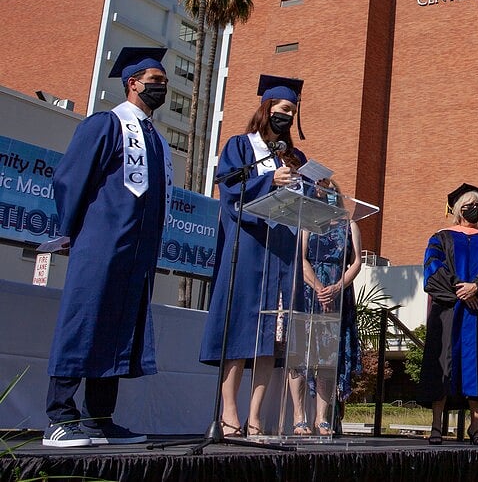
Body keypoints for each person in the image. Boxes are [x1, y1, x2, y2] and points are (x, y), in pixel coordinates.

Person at [44, 47, 173, 447]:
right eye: (155, 81)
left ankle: (98, 420)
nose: (162, 88)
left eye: (164, 83)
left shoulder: (155, 139)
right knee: (84, 323)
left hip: (137, 253)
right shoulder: (106, 123)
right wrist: (73, 232)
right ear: (132, 83)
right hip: (101, 244)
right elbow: (70, 179)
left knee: (118, 330)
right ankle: (59, 418)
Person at [199, 75, 307, 437]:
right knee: (241, 328)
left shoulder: (295, 157)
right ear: (266, 110)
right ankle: (229, 412)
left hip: (281, 250)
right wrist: (269, 182)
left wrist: (311, 192)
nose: (287, 117)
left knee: (268, 335)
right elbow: (229, 189)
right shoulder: (240, 147)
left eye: (292, 112)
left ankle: (255, 415)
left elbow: (303, 200)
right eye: (282, 110)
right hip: (247, 247)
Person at [418, 183, 478, 445]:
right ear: (457, 209)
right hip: (448, 314)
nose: (474, 209)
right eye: (468, 205)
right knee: (444, 366)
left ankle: (476, 427)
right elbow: (432, 270)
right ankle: (437, 426)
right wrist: (460, 290)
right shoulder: (440, 238)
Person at [294, 179, 363, 436]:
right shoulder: (308, 224)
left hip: (339, 292)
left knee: (327, 358)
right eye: (323, 193)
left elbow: (356, 262)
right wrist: (319, 287)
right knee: (301, 356)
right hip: (309, 293)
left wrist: (336, 287)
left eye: (332, 192)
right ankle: (298, 416)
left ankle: (321, 417)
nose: (328, 196)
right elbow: (301, 259)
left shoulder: (349, 225)